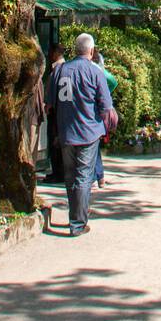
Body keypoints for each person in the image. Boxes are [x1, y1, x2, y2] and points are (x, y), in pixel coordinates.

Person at [49, 32, 114, 238]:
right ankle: (78, 222)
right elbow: (105, 105)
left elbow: (51, 102)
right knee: (84, 176)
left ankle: (76, 214)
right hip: (88, 131)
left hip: (66, 131)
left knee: (70, 176)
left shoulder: (60, 71)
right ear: (91, 51)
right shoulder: (94, 72)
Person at [91, 46, 118, 191]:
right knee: (95, 146)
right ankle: (100, 177)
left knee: (92, 146)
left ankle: (95, 178)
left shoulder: (94, 70)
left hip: (94, 111)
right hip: (101, 111)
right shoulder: (100, 70)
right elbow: (113, 81)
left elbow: (112, 81)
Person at [44, 43, 66, 184]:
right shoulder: (64, 68)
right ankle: (58, 171)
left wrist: (49, 104)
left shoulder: (58, 69)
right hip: (61, 111)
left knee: (55, 141)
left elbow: (54, 90)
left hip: (55, 111)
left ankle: (58, 172)